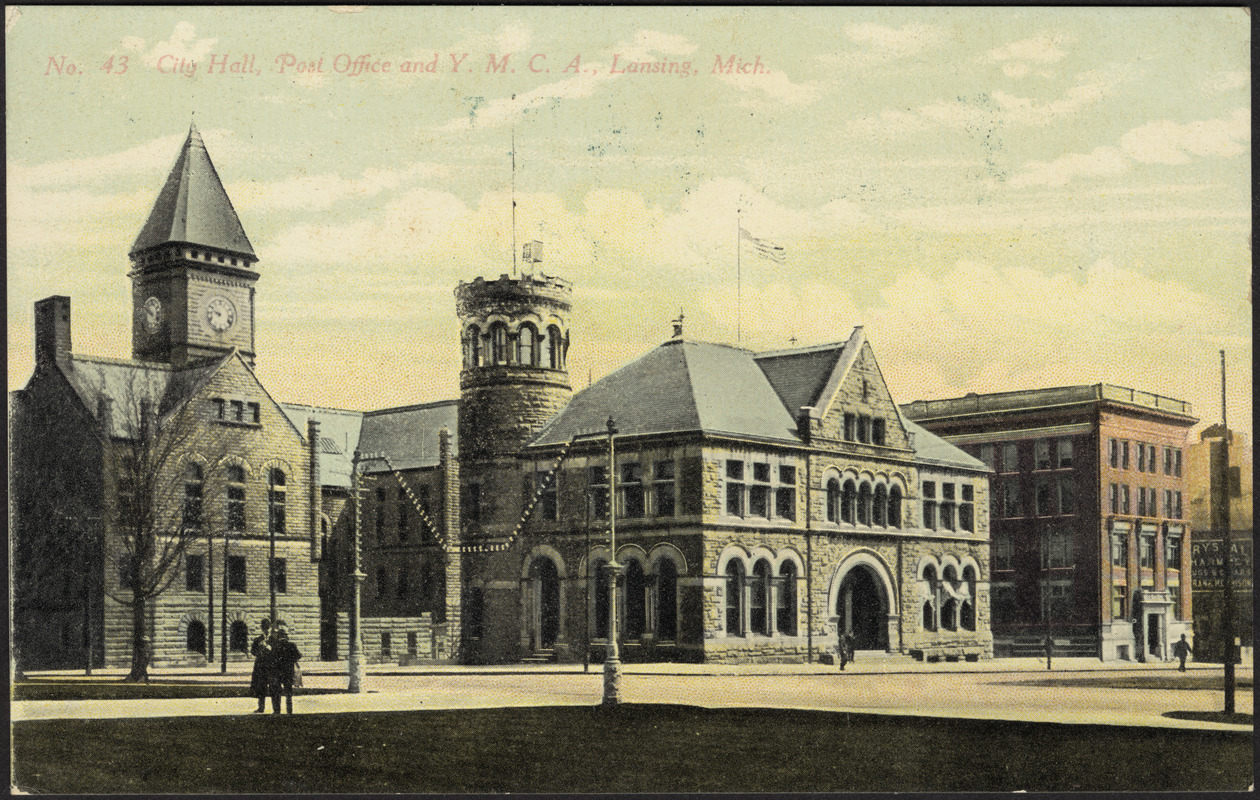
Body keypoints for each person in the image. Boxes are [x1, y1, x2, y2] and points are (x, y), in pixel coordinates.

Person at [270, 626, 303, 714]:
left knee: (276, 692)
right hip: (288, 672)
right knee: (288, 692)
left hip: (277, 672)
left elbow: (272, 658)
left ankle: (277, 711)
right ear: (286, 636)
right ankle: (289, 711)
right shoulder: (291, 645)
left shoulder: (275, 646)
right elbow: (298, 656)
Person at [249, 618, 273, 713]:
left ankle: (276, 708)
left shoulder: (273, 639)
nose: (266, 629)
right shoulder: (258, 639)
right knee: (261, 687)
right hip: (260, 666)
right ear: (261, 628)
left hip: (271, 666)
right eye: (264, 627)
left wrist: (269, 648)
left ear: (270, 627)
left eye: (267, 627)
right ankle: (261, 707)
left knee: (273, 688)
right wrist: (260, 650)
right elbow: (253, 651)